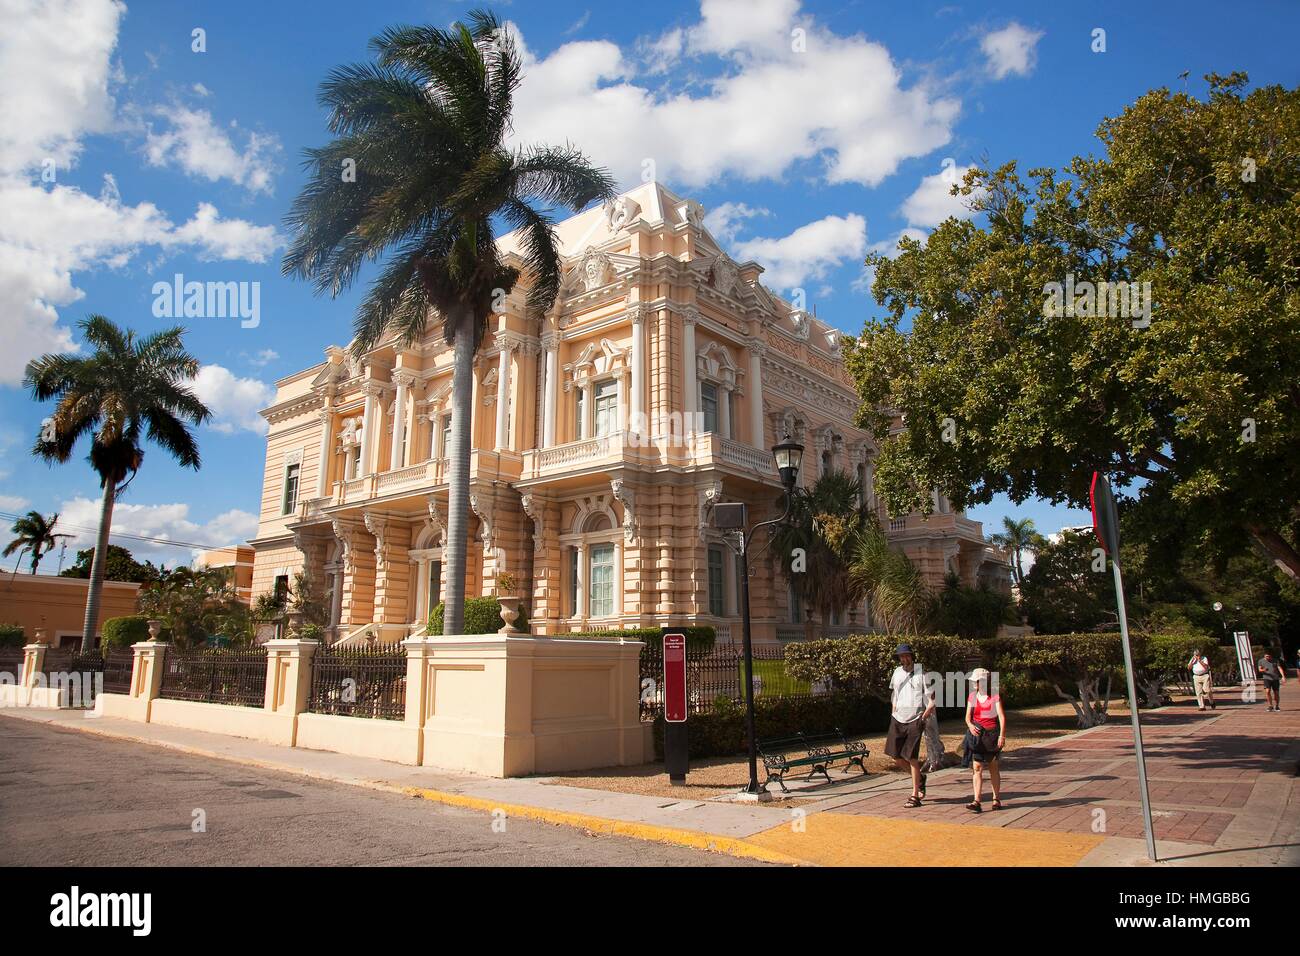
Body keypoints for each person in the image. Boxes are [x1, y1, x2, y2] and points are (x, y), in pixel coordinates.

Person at [884, 643, 935, 808]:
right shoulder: (897, 673)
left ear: (912, 656)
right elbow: (895, 694)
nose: (904, 659)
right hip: (897, 718)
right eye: (901, 656)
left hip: (915, 719)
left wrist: (923, 717)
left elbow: (932, 700)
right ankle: (920, 778)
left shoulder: (922, 674)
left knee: (911, 757)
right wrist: (893, 711)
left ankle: (914, 796)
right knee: (896, 756)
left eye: (907, 655)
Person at [963, 668, 1006, 812]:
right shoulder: (972, 697)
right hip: (977, 737)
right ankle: (977, 800)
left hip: (991, 736)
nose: (974, 683)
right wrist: (970, 726)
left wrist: (1002, 735)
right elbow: (968, 717)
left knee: (993, 766)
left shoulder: (994, 697)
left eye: (976, 681)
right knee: (977, 767)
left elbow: (1001, 717)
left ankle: (996, 799)